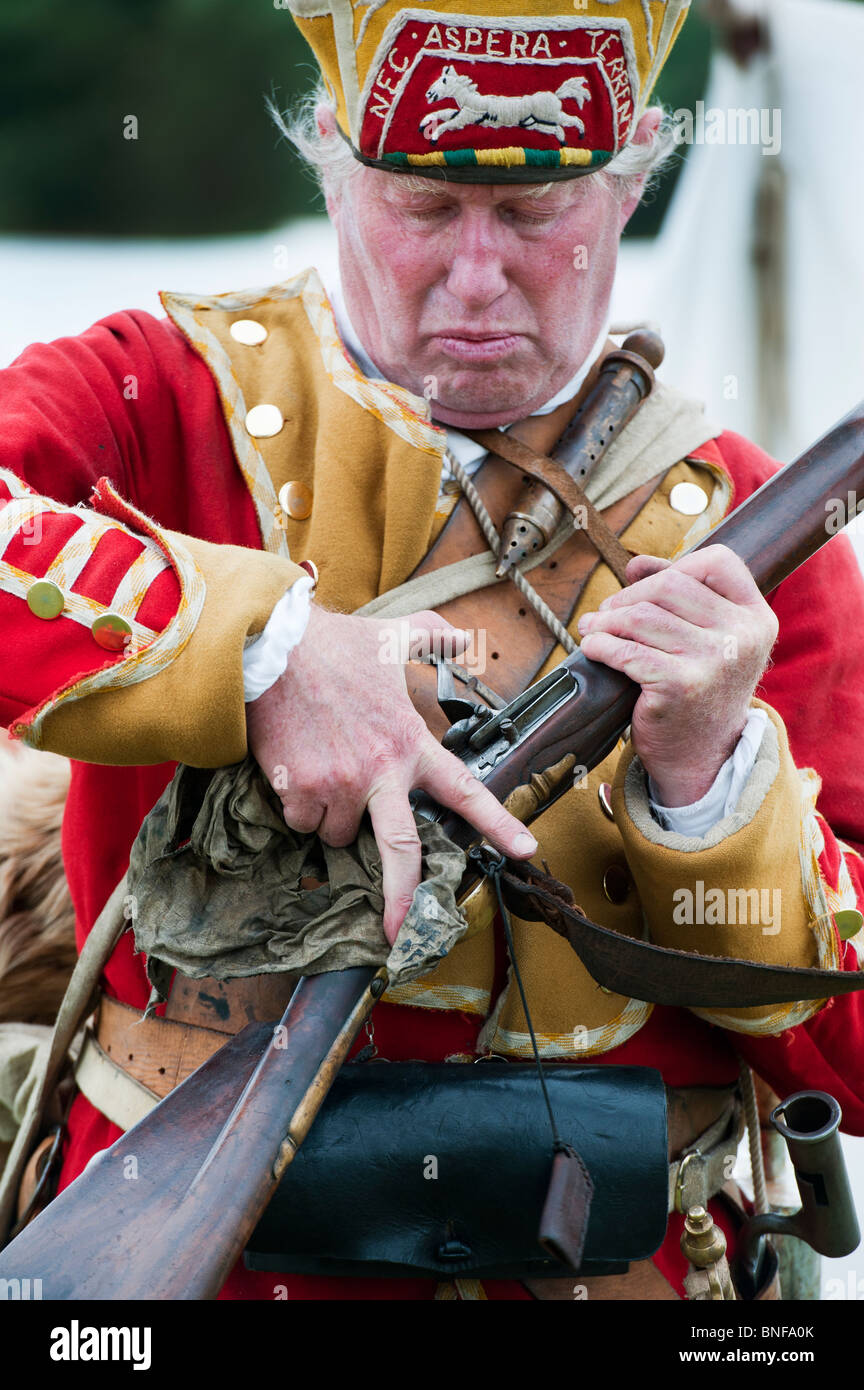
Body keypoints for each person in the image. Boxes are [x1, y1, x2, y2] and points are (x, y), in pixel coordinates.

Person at [1, 0, 863, 1300]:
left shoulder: (746, 535)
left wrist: (713, 789)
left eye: (531, 216)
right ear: (336, 175)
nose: (476, 277)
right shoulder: (159, 395)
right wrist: (264, 648)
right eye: (421, 204)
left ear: (628, 189)